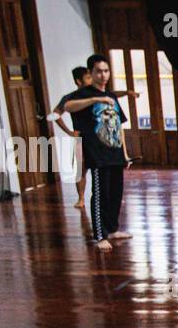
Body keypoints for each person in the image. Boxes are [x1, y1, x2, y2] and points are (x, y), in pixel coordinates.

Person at [61, 54, 132, 252]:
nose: (103, 75)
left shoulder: (112, 97)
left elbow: (119, 126)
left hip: (115, 151)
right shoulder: (83, 94)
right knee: (100, 194)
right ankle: (100, 235)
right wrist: (94, 99)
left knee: (115, 194)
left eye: (106, 71)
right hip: (98, 153)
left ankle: (112, 229)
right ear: (91, 73)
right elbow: (66, 107)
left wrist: (124, 153)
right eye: (99, 71)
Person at [50, 66, 135, 209]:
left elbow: (112, 95)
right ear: (78, 81)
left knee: (107, 171)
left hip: (98, 139)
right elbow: (55, 113)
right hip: (80, 138)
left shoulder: (98, 94)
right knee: (80, 169)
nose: (93, 80)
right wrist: (69, 132)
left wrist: (126, 93)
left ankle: (111, 199)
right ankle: (81, 198)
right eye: (88, 78)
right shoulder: (72, 97)